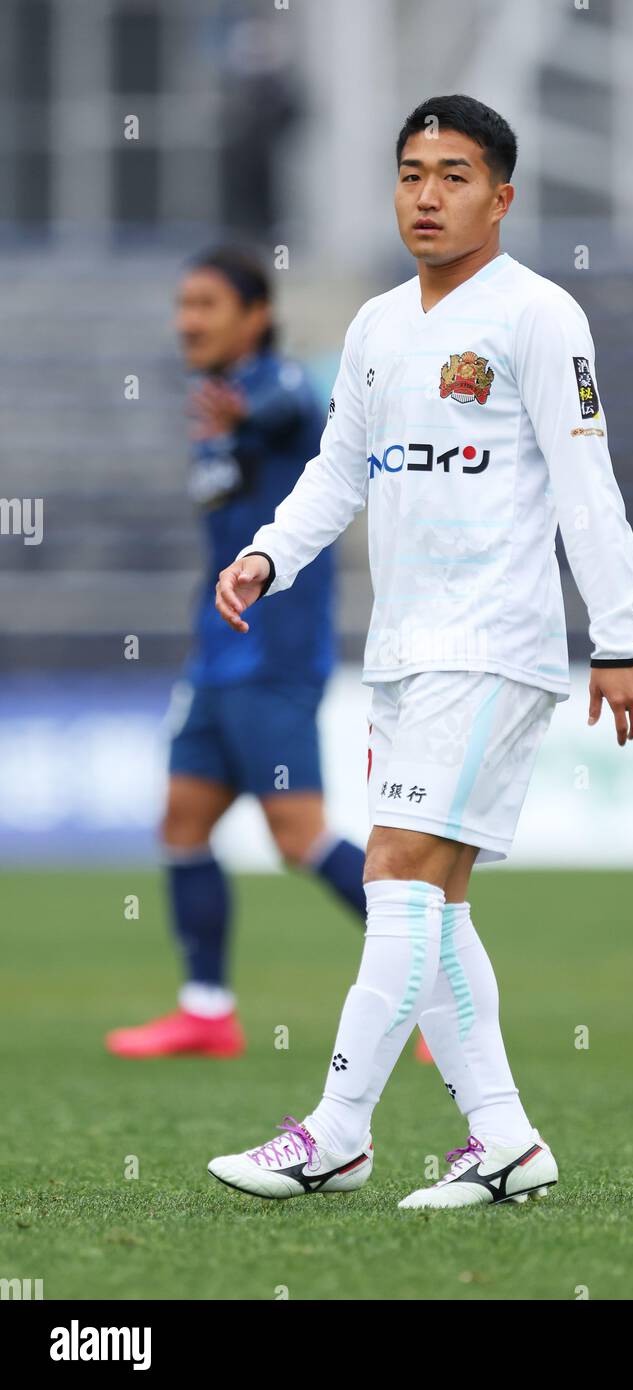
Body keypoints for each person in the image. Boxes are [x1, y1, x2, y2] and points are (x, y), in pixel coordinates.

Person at [207, 97, 633, 1208]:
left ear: (499, 196)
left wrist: (619, 636)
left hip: (493, 643)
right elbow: (337, 471)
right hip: (403, 652)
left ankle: (336, 1130)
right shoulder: (372, 327)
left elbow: (582, 478)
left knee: (394, 874)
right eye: (410, 173)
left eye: (452, 175)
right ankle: (503, 1141)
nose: (426, 194)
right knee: (437, 901)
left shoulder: (539, 318)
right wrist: (270, 554)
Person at [106, 247, 369, 1060]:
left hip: (275, 656)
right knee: (183, 823)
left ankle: (444, 985)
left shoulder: (280, 387)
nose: (188, 319)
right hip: (215, 657)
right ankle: (208, 1011)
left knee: (299, 837)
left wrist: (243, 417)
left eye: (207, 304)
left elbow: (292, 408)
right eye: (184, 303)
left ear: (255, 315)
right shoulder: (212, 402)